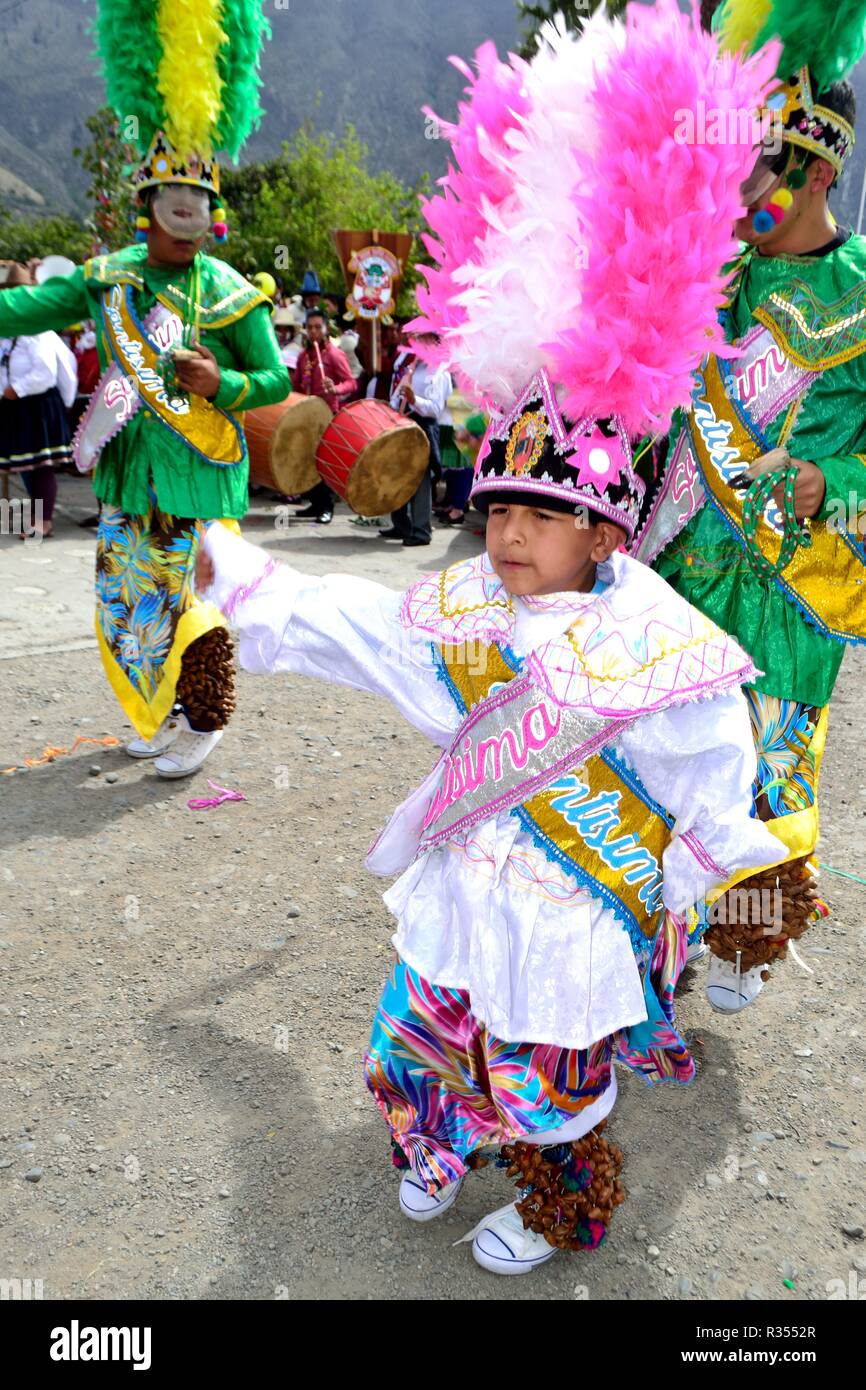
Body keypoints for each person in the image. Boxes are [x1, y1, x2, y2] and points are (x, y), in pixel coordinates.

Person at [196, 2, 783, 1275]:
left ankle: (560, 1200)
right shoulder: (465, 609)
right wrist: (246, 582)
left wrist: (692, 882)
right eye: (497, 507)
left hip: (575, 910)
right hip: (466, 880)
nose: (510, 532)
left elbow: (708, 766)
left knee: (548, 1076)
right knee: (418, 1036)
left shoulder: (660, 637)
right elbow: (363, 631)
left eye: (544, 513)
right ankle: (431, 1141)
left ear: (604, 533)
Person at [636, 0, 866, 1011]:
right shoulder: (708, 274)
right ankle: (664, 923)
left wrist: (840, 481)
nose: (729, 194)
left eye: (752, 175)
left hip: (796, 587)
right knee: (663, 762)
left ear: (815, 173)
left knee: (767, 775)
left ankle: (741, 936)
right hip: (684, 568)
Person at [0, 0, 285, 778]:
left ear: (213, 213)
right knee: (127, 607)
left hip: (198, 474)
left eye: (200, 197)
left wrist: (222, 378)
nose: (188, 206)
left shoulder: (229, 290)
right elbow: (24, 306)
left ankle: (205, 719)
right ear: (147, 204)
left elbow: (275, 379)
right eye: (173, 194)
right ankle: (162, 712)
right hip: (129, 474)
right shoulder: (108, 279)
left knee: (192, 603)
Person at [0, 262, 77, 539]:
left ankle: (43, 521)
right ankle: (34, 515)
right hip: (15, 405)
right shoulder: (7, 331)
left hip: (38, 404)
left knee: (40, 465)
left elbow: (45, 372)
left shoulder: (38, 331)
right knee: (23, 463)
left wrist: (15, 389)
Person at [379, 332, 450, 547]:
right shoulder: (412, 367)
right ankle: (401, 525)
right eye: (417, 339)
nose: (417, 343)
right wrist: (395, 403)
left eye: (423, 339)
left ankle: (421, 531)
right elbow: (396, 396)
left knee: (420, 480)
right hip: (404, 424)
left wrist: (413, 399)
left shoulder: (440, 372)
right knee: (398, 474)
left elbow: (435, 409)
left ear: (435, 342)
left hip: (424, 428)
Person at [291, 309, 356, 523]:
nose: (313, 331)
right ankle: (315, 504)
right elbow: (297, 385)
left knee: (324, 463)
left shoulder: (334, 354)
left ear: (326, 329)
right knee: (307, 461)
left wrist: (335, 388)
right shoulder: (303, 356)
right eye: (310, 327)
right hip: (307, 417)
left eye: (318, 327)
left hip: (328, 416)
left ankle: (327, 507)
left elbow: (351, 383)